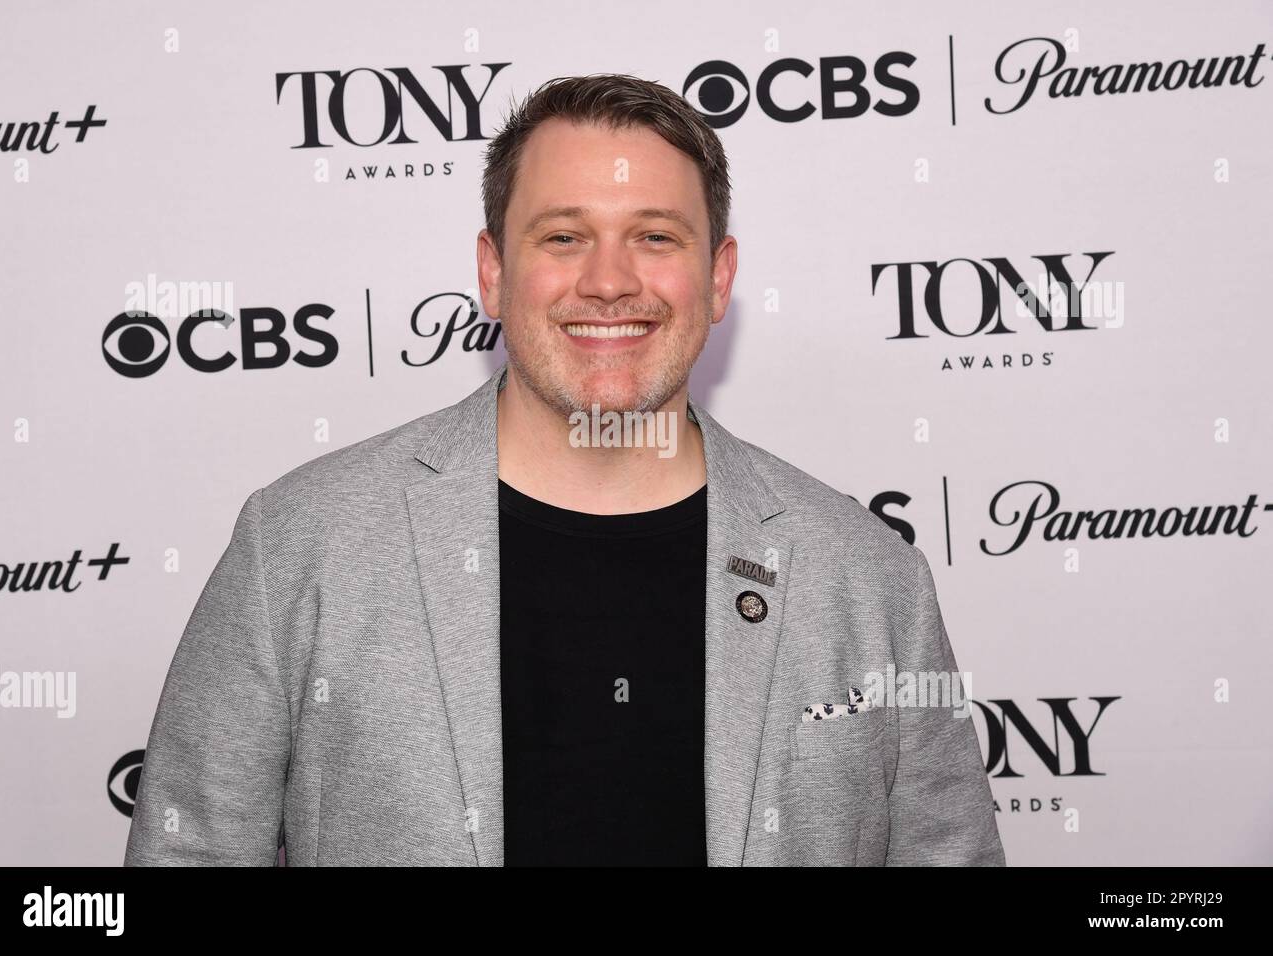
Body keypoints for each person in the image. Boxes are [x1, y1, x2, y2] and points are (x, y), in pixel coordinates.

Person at [125, 73, 1004, 867]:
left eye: (655, 236)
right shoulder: (302, 543)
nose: (609, 281)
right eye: (563, 236)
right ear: (493, 273)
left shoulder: (866, 574)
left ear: (719, 276)